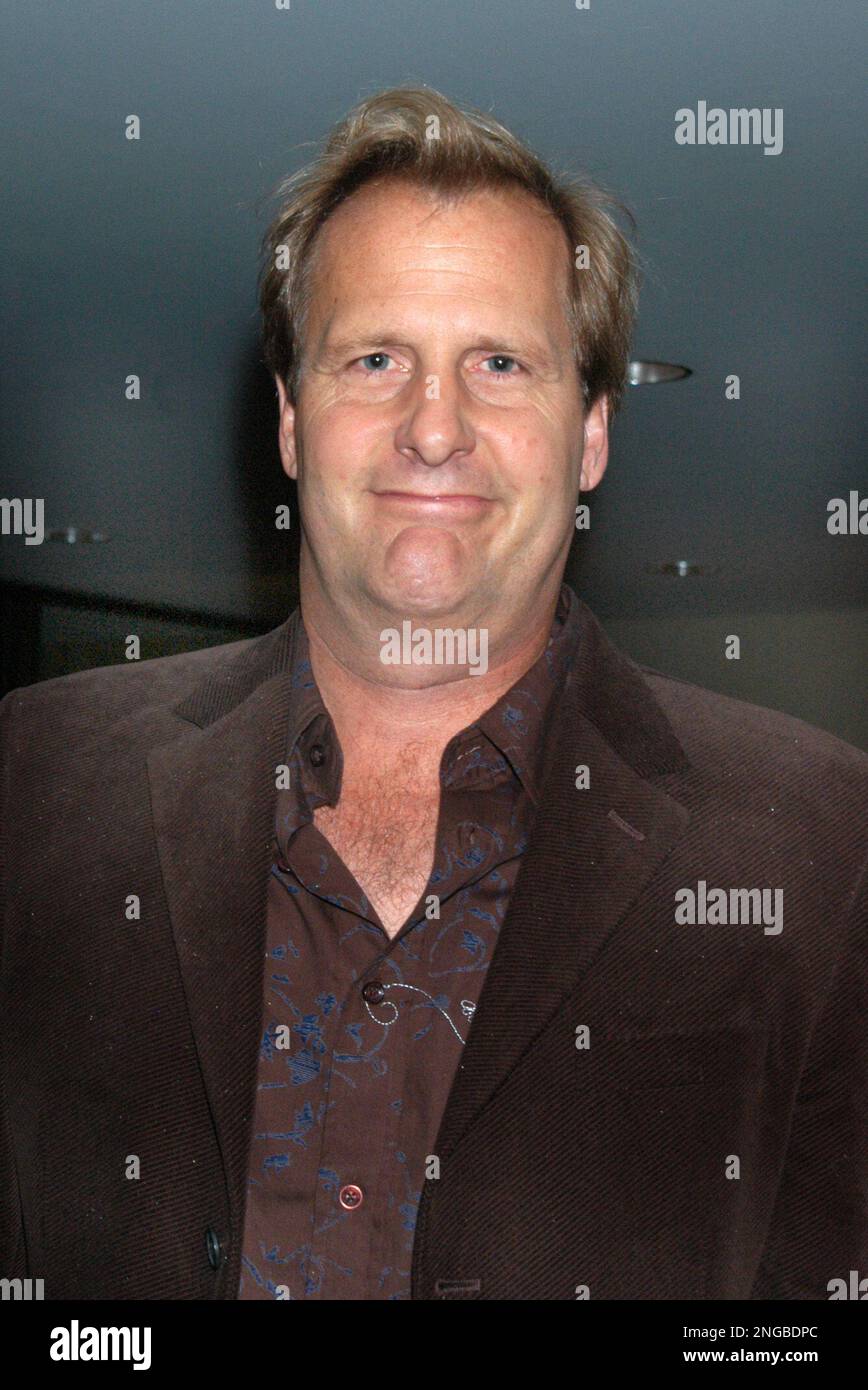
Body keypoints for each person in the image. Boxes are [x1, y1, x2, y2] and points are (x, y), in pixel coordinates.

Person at [1, 85, 865, 1302]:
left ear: (593, 433)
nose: (434, 427)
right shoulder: (33, 782)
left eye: (500, 362)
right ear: (295, 422)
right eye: (376, 358)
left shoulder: (824, 848)